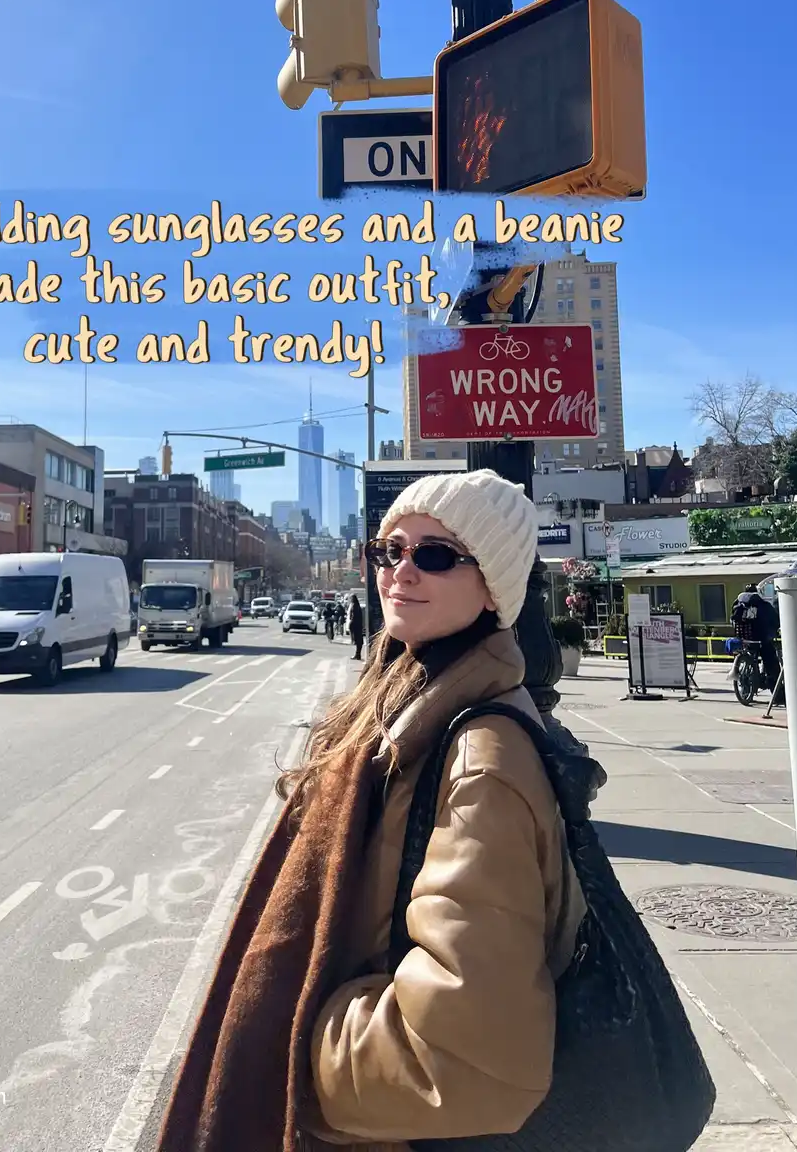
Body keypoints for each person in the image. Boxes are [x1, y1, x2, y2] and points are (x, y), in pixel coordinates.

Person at [156, 469, 596, 1152]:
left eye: (436, 555)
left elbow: (460, 1060)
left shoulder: (482, 761)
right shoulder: (398, 702)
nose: (400, 571)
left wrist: (286, 1056)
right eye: (389, 550)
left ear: (494, 589)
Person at [732, 582, 782, 690]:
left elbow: (733, 620)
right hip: (761, 639)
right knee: (771, 662)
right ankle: (776, 690)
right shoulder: (763, 605)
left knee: (750, 655)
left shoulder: (738, 604)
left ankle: (745, 690)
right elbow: (775, 620)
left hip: (743, 638)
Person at [346, 589, 364, 660]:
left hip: (355, 625)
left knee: (357, 641)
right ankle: (358, 654)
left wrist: (351, 624)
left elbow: (353, 616)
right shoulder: (357, 605)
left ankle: (357, 654)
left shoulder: (354, 606)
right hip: (358, 625)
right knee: (359, 641)